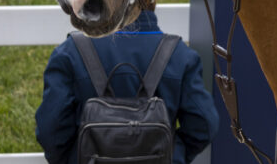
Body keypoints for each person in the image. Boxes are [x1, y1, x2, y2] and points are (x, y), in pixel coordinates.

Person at [35, 9, 220, 163]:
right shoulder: (180, 55)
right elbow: (204, 124)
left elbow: (50, 130)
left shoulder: (69, 53)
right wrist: (173, 156)